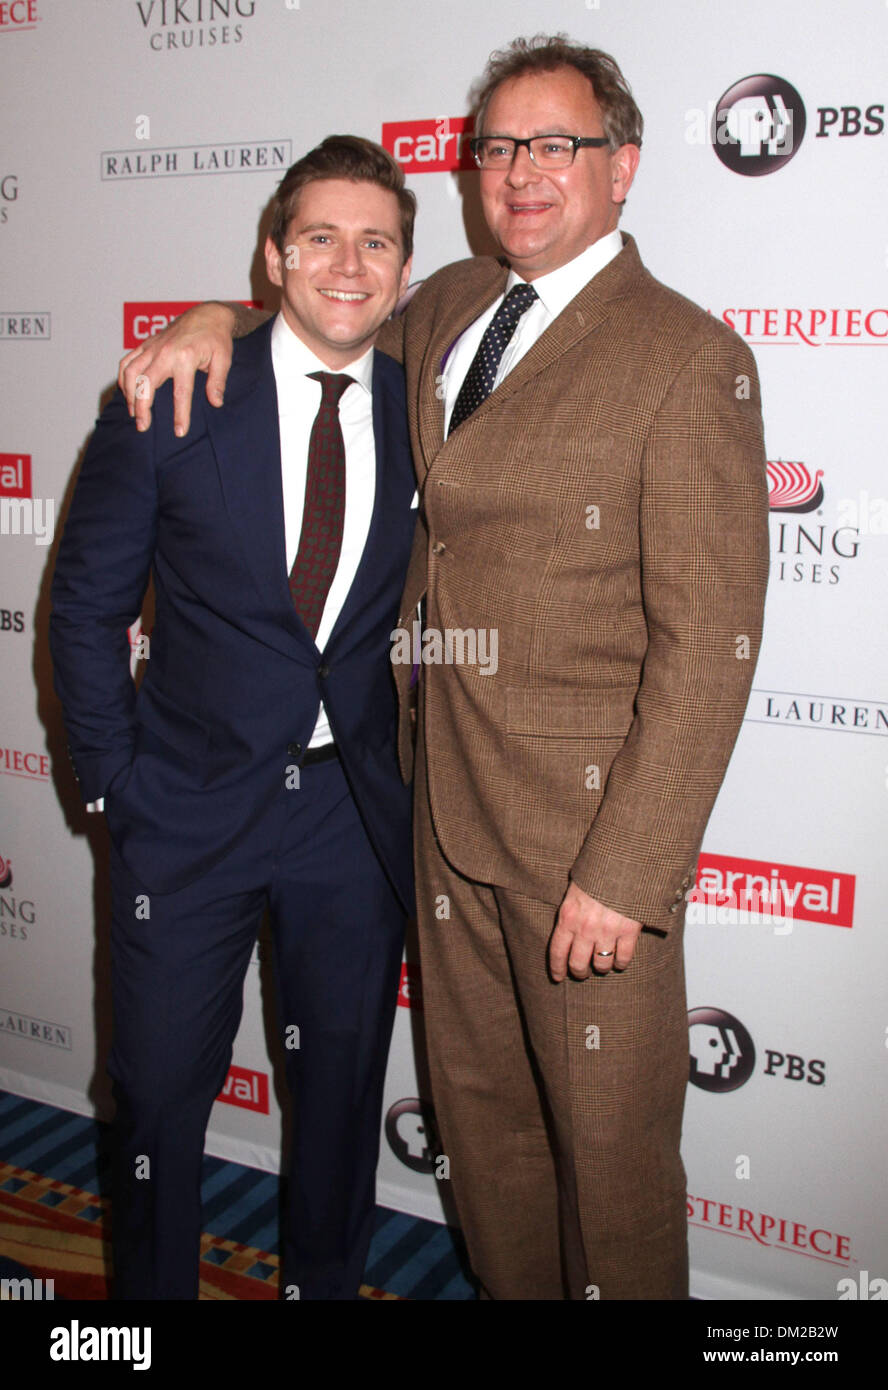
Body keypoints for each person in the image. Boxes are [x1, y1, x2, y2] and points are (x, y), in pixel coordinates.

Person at [116, 35, 770, 1300]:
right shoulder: (457, 302)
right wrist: (214, 316)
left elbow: (711, 647)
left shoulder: (688, 360)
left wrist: (623, 874)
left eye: (557, 145)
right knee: (490, 1148)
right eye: (498, 148)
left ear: (622, 166)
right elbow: (317, 315)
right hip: (430, 823)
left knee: (615, 1167)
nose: (522, 172)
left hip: (585, 853)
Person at [50, 136, 419, 1300]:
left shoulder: (438, 411)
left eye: (376, 242)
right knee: (158, 1092)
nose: (347, 264)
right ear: (274, 256)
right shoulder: (170, 398)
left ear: (406, 269)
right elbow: (83, 608)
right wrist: (116, 787)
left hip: (350, 823)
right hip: (187, 811)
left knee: (341, 1091)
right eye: (320, 237)